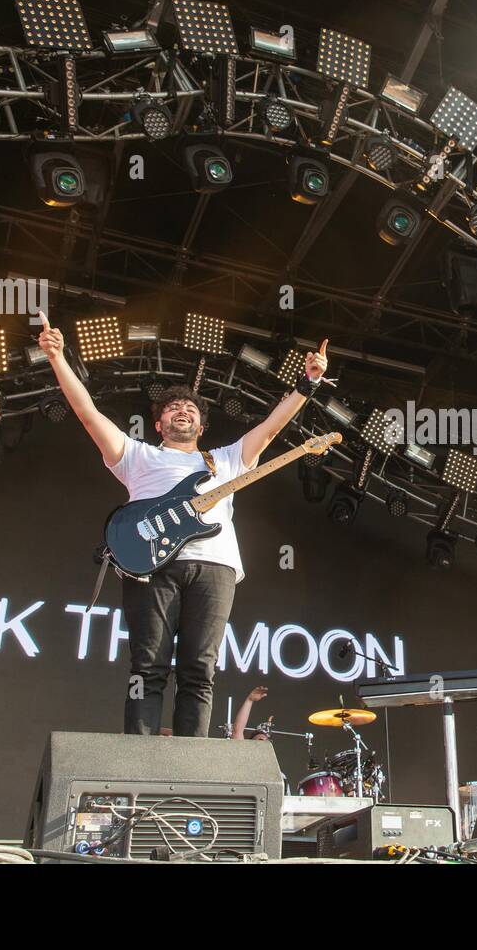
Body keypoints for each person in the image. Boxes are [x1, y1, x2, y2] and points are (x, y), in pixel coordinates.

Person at [36, 312, 329, 736]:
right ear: (159, 424)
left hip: (215, 567)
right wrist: (58, 358)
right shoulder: (138, 455)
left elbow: (270, 430)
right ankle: (138, 762)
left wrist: (309, 383)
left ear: (201, 425)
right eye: (173, 407)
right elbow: (87, 413)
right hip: (150, 564)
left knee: (199, 669)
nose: (182, 410)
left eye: (190, 408)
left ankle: (191, 773)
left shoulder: (225, 459)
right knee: (148, 666)